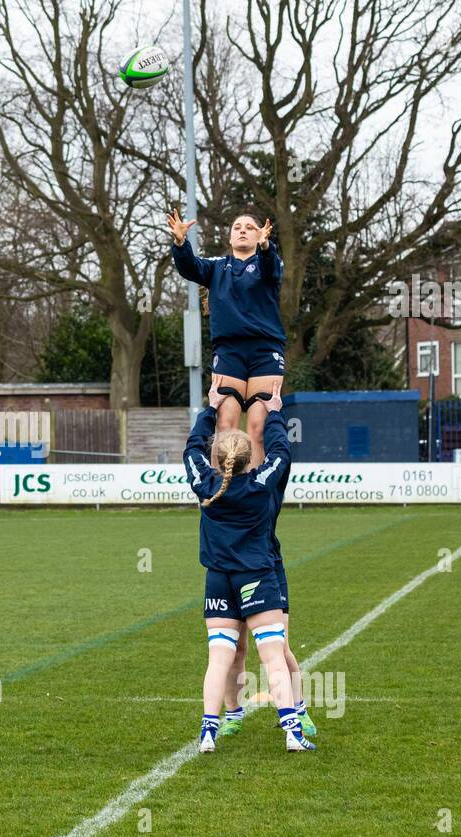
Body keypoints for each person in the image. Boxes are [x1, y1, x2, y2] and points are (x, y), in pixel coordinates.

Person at [183, 376, 314, 754]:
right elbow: (280, 454)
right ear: (245, 460)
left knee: (219, 659)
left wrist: (210, 408)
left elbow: (191, 449)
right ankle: (292, 731)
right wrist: (274, 414)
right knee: (273, 657)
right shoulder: (260, 486)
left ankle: (209, 732)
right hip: (257, 577)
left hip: (218, 581)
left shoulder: (205, 485)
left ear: (216, 458)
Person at [168, 207, 285, 468]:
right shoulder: (216, 268)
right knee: (224, 427)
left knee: (257, 430)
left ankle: (255, 495)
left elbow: (270, 268)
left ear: (260, 236)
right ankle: (220, 496)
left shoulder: (270, 263)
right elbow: (189, 266)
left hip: (265, 353)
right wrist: (180, 242)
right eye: (237, 227)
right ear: (230, 239)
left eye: (250, 227)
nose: (242, 230)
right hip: (229, 353)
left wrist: (267, 248)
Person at [216, 447, 317, 740]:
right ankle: (233, 713)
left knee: (279, 648)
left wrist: (274, 416)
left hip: (266, 569)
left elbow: (281, 454)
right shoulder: (221, 486)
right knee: (235, 649)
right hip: (229, 572)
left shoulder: (266, 483)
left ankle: (298, 710)